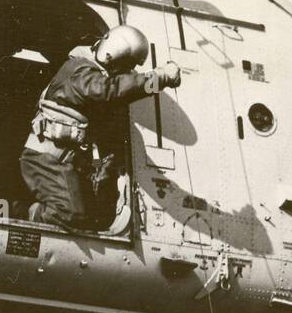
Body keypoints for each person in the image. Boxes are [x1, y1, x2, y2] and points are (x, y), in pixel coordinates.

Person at [19, 25, 180, 231]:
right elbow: (109, 91)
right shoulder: (79, 71)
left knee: (85, 217)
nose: (126, 74)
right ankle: (19, 216)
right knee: (69, 213)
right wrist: (161, 78)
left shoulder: (87, 74)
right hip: (47, 159)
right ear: (111, 55)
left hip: (60, 160)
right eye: (124, 68)